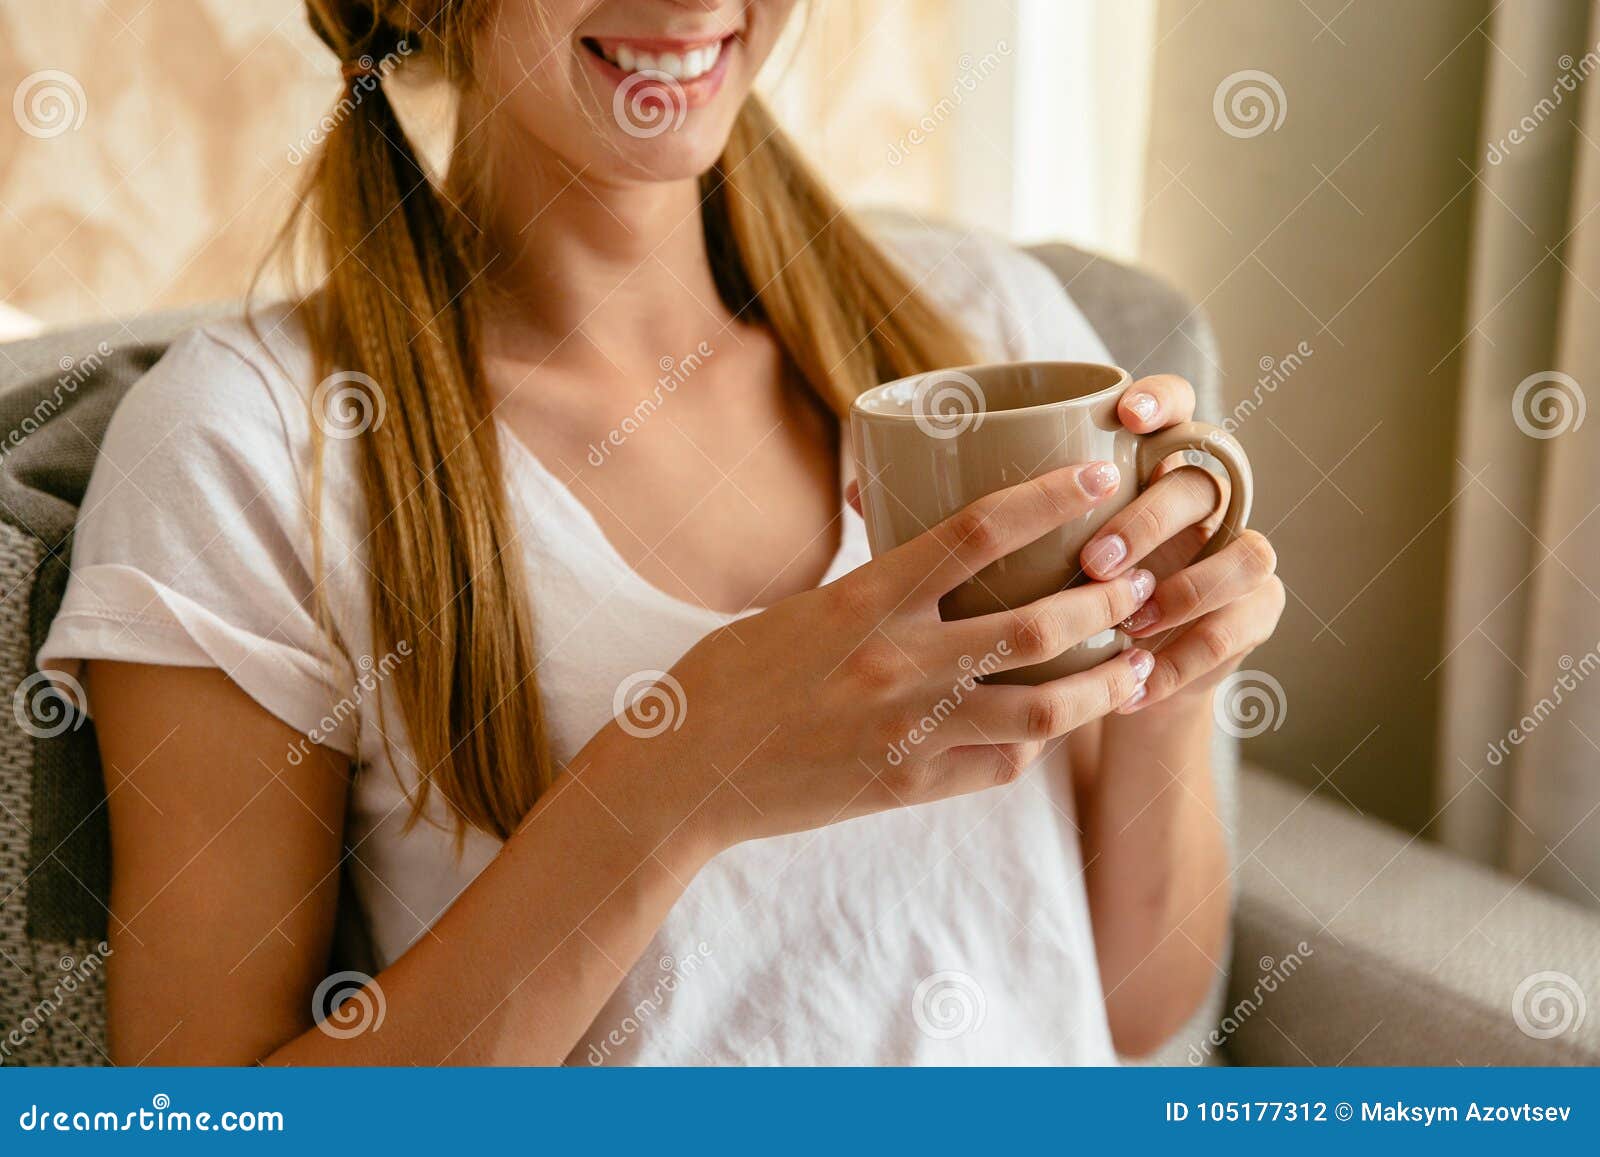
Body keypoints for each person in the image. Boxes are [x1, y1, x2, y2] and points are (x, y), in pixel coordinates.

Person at [39, 0, 1283, 1065]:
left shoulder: (987, 328)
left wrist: (1165, 675)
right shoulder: (251, 446)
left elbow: (1130, 1004)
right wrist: (679, 779)